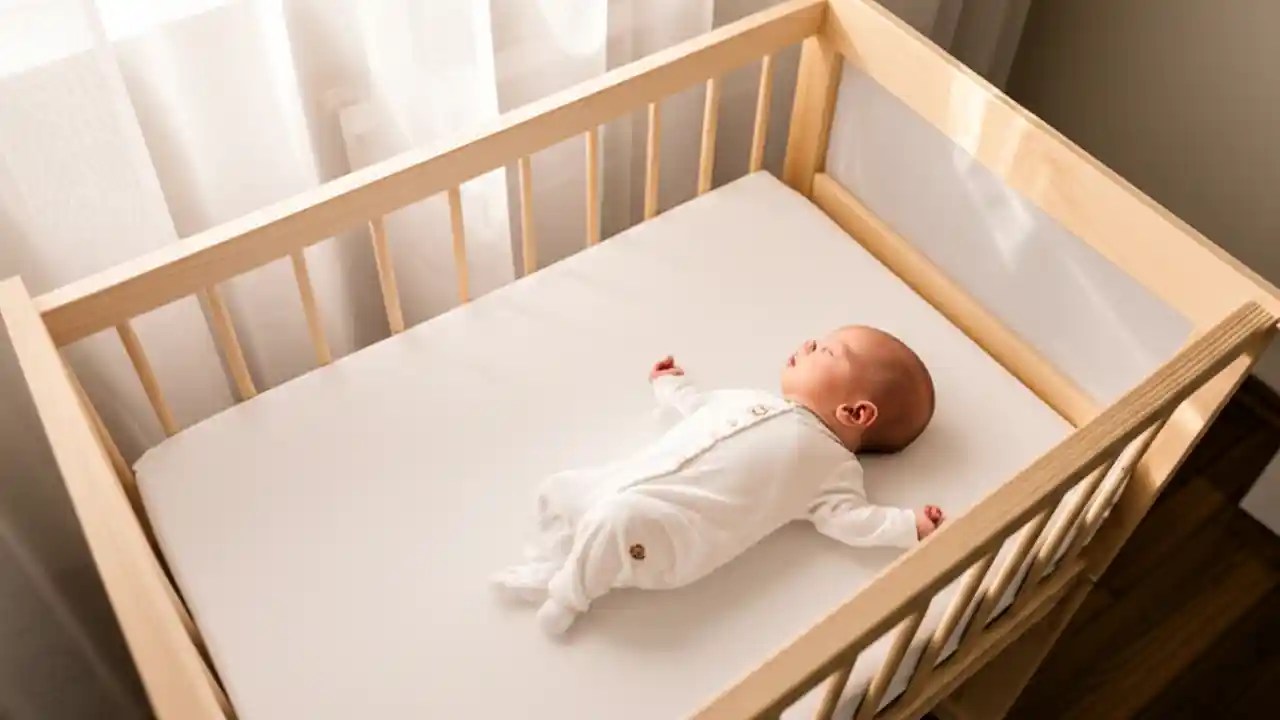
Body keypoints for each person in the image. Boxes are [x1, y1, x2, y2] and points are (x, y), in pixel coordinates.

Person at [494, 326, 942, 636]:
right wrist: (670, 384)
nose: (809, 343)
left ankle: (569, 594)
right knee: (563, 489)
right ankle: (561, 553)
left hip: (673, 530)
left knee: (616, 520)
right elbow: (698, 405)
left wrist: (908, 526)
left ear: (856, 413)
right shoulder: (749, 398)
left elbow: (853, 520)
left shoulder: (832, 465)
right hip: (634, 478)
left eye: (827, 351)